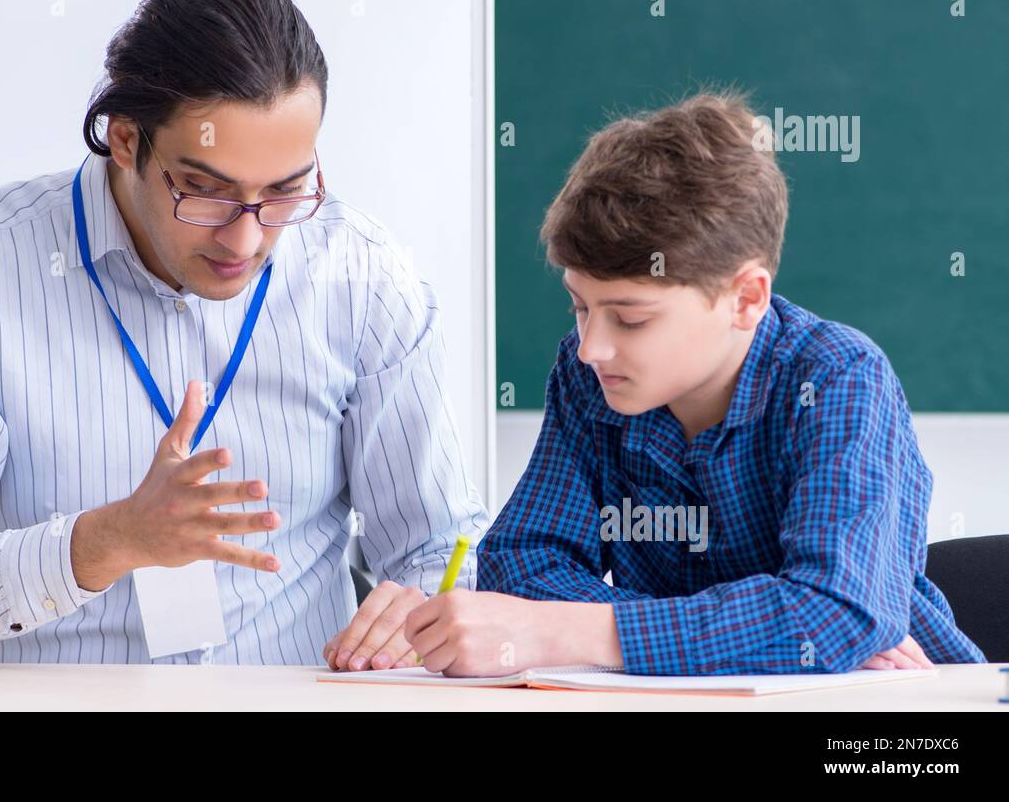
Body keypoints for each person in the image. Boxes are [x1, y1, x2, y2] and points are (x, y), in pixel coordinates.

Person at [0, 0, 489, 667]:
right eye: (205, 191)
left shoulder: (363, 275)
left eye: (284, 191)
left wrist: (424, 607)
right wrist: (105, 542)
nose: (246, 240)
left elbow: (440, 547)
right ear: (125, 140)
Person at [403, 90, 986, 676]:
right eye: (580, 306)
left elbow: (833, 615)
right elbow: (522, 567)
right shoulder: (589, 379)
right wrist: (758, 633)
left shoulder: (838, 378)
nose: (592, 346)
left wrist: (561, 631)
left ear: (745, 299)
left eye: (631, 318)